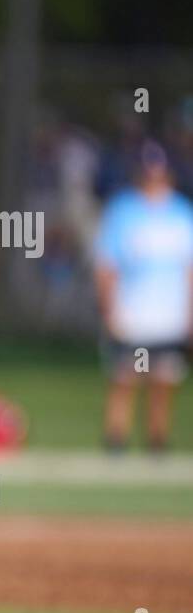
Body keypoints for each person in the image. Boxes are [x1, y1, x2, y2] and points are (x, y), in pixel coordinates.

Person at [94, 140, 193, 453]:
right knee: (125, 378)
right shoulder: (123, 211)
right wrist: (109, 309)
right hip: (133, 313)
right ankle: (116, 441)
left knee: (163, 381)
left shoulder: (181, 213)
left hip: (169, 315)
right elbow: (107, 266)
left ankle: (157, 442)